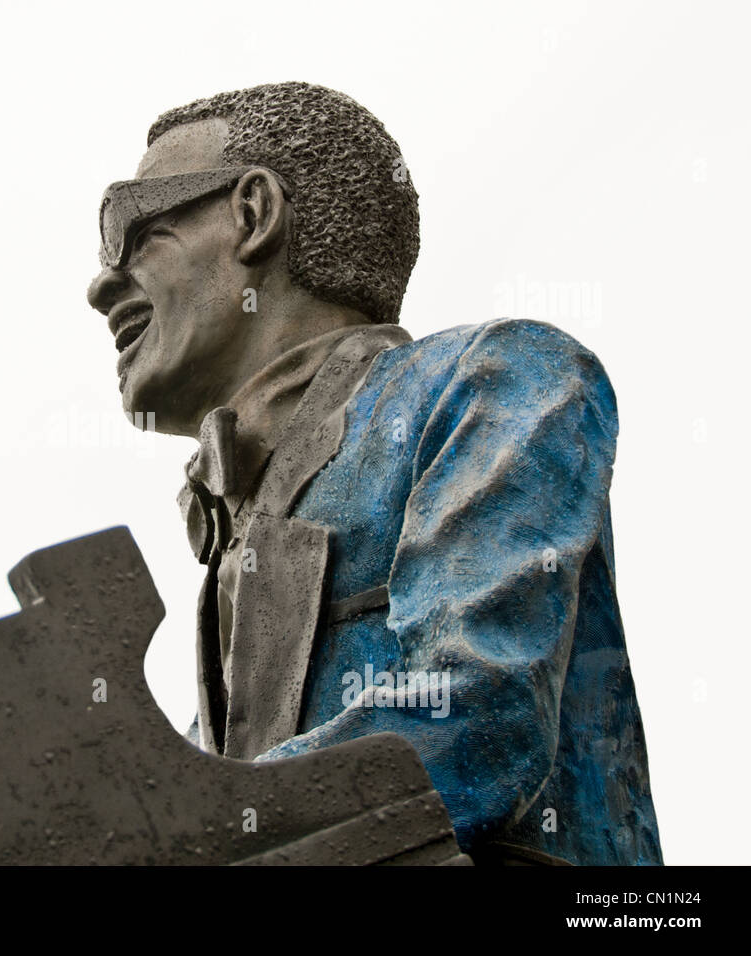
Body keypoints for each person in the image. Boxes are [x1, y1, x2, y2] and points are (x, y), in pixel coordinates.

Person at [85, 81, 662, 865]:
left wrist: (190, 831)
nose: (100, 285)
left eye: (125, 229)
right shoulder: (234, 525)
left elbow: (478, 715)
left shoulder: (494, 377)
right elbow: (228, 788)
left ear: (254, 214)